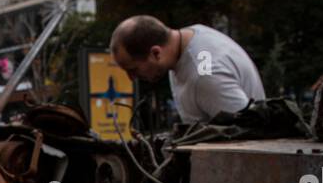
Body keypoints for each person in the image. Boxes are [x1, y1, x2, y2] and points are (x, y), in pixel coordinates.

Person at [111, 15, 265, 124]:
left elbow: (247, 131)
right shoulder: (187, 40)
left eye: (133, 69)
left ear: (156, 53)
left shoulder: (205, 75)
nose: (131, 78)